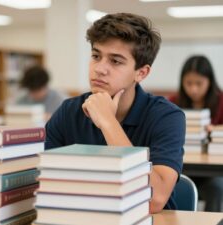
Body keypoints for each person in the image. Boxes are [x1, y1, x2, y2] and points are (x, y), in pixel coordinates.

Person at [45, 13, 185, 213]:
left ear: (141, 73)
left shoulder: (167, 116)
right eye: (96, 56)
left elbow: (154, 199)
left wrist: (108, 122)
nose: (100, 69)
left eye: (116, 61)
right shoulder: (68, 111)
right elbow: (41, 182)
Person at [169, 55, 223, 212]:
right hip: (182, 167)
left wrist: (217, 131)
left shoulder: (221, 101)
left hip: (212, 171)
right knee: (172, 186)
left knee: (218, 186)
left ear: (210, 81)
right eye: (189, 83)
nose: (193, 89)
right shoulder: (173, 102)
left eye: (199, 83)